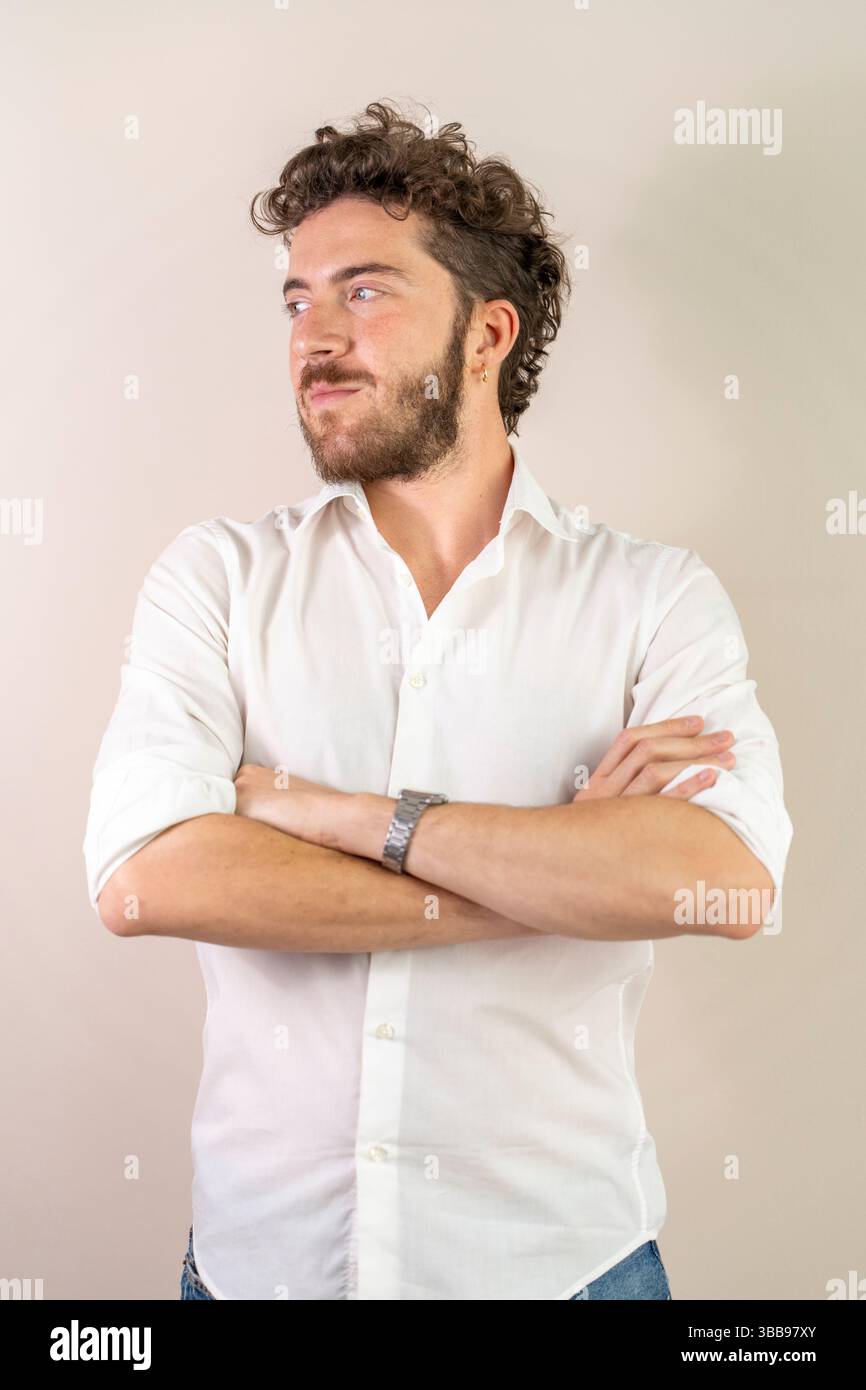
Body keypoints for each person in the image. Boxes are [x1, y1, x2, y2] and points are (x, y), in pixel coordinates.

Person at [84, 100, 793, 1301]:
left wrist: (337, 814)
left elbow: (720, 879)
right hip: (266, 1271)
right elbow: (147, 879)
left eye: (363, 291)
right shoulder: (216, 577)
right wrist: (558, 874)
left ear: (485, 334)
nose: (313, 334)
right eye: (297, 298)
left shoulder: (652, 596)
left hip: (561, 1269)